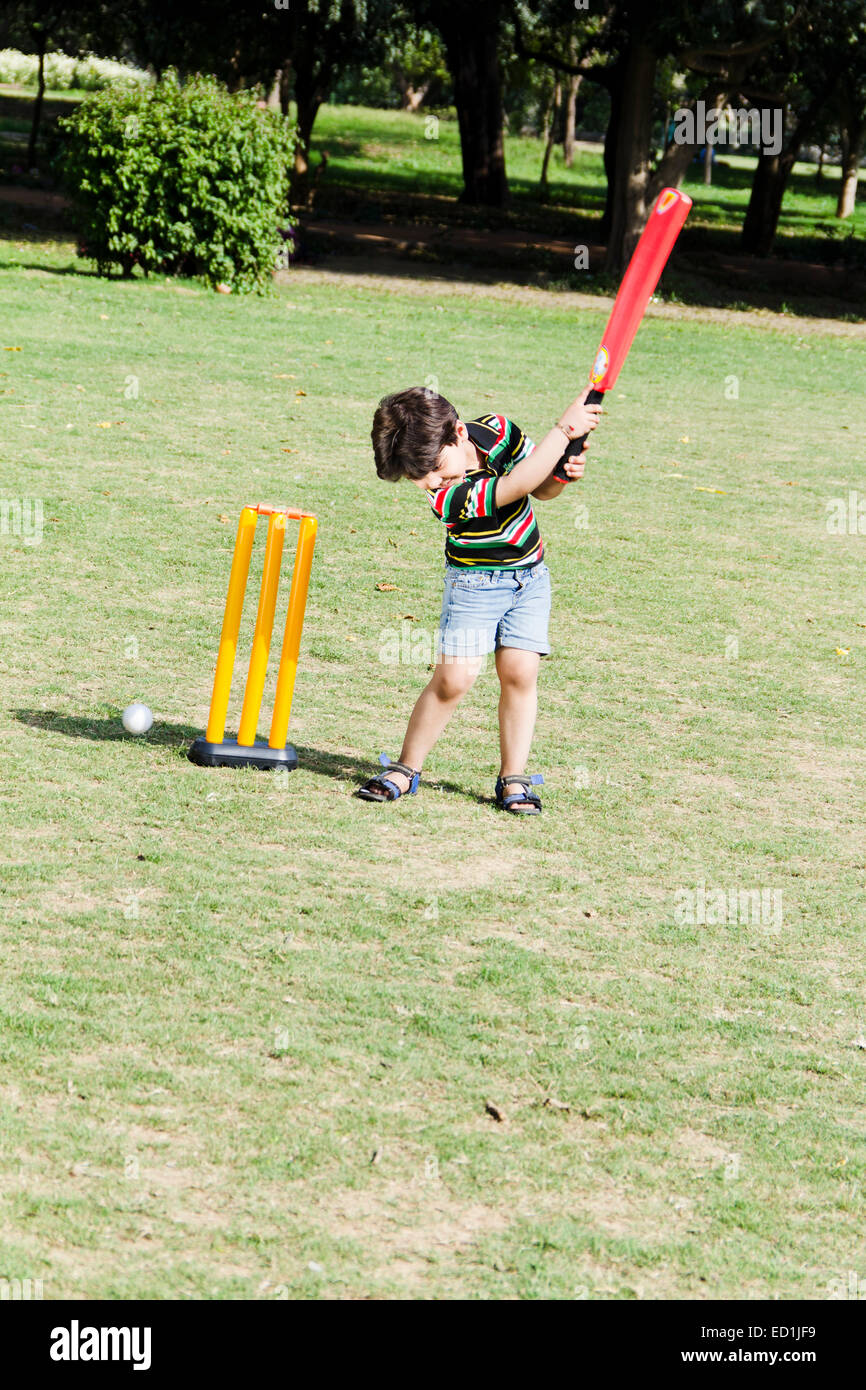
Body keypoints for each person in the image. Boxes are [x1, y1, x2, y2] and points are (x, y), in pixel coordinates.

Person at [356, 385, 601, 814]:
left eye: (433, 466)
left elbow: (539, 489)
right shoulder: (446, 497)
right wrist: (564, 430)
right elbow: (514, 486)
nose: (429, 482)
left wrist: (561, 472)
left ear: (457, 433)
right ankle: (407, 768)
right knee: (453, 681)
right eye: (418, 477)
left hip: (529, 578)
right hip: (474, 586)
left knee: (521, 673)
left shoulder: (499, 432)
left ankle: (514, 778)